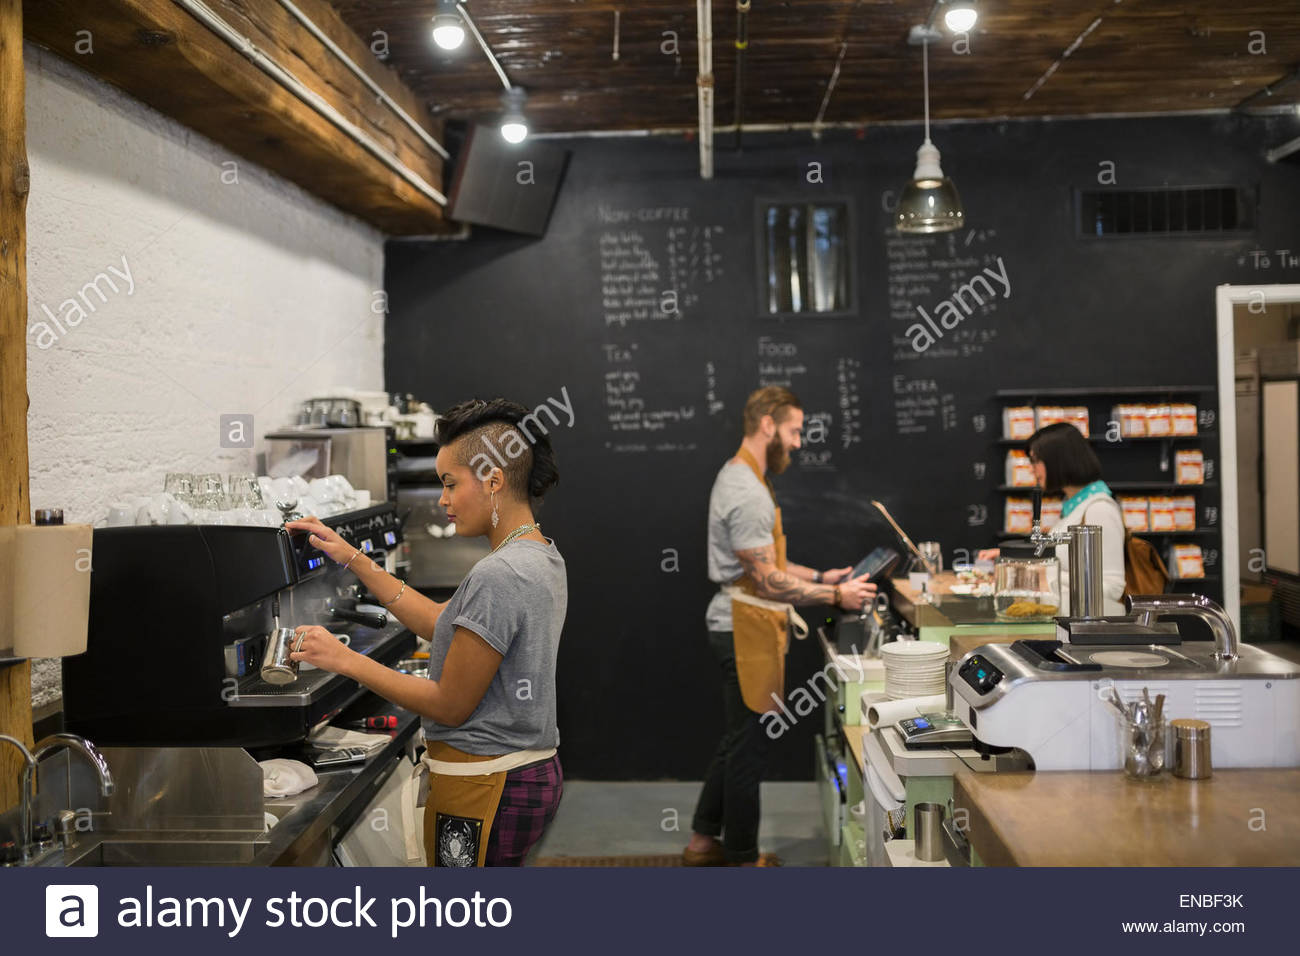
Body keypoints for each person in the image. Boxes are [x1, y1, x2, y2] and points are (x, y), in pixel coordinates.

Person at [286, 398, 566, 866]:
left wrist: (343, 659)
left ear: (494, 482)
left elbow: (449, 705)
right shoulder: (538, 553)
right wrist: (352, 557)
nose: (443, 500)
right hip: (524, 771)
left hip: (489, 782)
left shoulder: (499, 575)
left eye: (451, 484)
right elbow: (442, 624)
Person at [683, 386, 877, 867]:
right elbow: (768, 581)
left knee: (737, 740)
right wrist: (836, 596)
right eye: (793, 430)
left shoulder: (748, 478)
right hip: (743, 629)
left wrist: (820, 577)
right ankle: (744, 859)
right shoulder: (747, 490)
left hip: (745, 623)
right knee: (750, 753)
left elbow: (768, 564)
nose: (798, 441)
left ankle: (702, 843)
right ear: (768, 423)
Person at [1027, 421, 1126, 615]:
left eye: (1035, 460)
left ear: (1057, 460)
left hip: (1090, 631)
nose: (1032, 469)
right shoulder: (1076, 507)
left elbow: (1113, 588)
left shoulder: (1099, 510)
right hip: (1069, 622)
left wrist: (1046, 577)